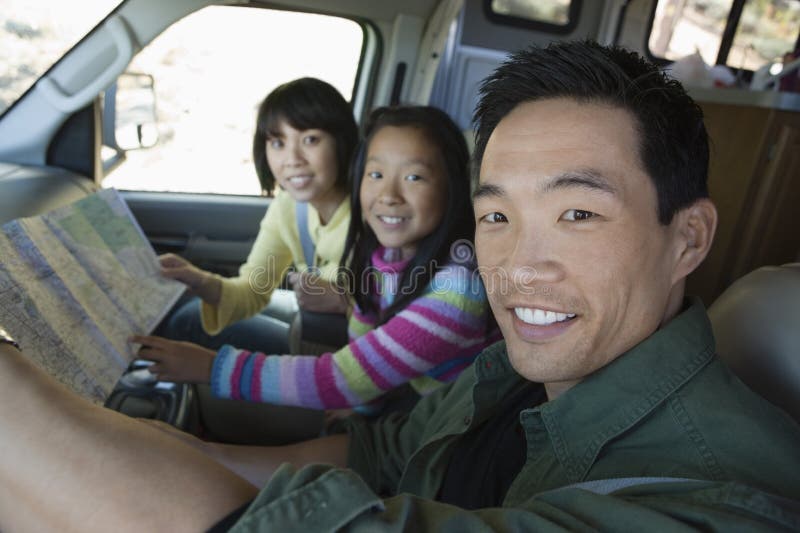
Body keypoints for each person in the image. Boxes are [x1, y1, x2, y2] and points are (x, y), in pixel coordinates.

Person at [1, 41, 800, 532]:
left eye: (579, 212)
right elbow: (380, 448)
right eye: (497, 218)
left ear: (688, 235)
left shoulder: (723, 497)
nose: (519, 267)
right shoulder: (509, 375)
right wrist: (185, 449)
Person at [133, 105, 498, 414]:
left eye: (415, 177)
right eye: (376, 174)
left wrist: (209, 366)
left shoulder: (456, 292)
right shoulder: (381, 255)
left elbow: (341, 378)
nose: (389, 194)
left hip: (434, 436)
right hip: (398, 409)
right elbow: (361, 340)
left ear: (452, 187)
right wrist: (358, 415)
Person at [158, 77, 358, 355]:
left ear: (341, 141)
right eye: (278, 143)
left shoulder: (375, 210)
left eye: (310, 140)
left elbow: (413, 316)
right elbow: (253, 290)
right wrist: (198, 280)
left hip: (360, 351)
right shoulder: (290, 206)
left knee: (188, 323)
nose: (292, 159)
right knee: (184, 308)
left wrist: (344, 303)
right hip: (319, 326)